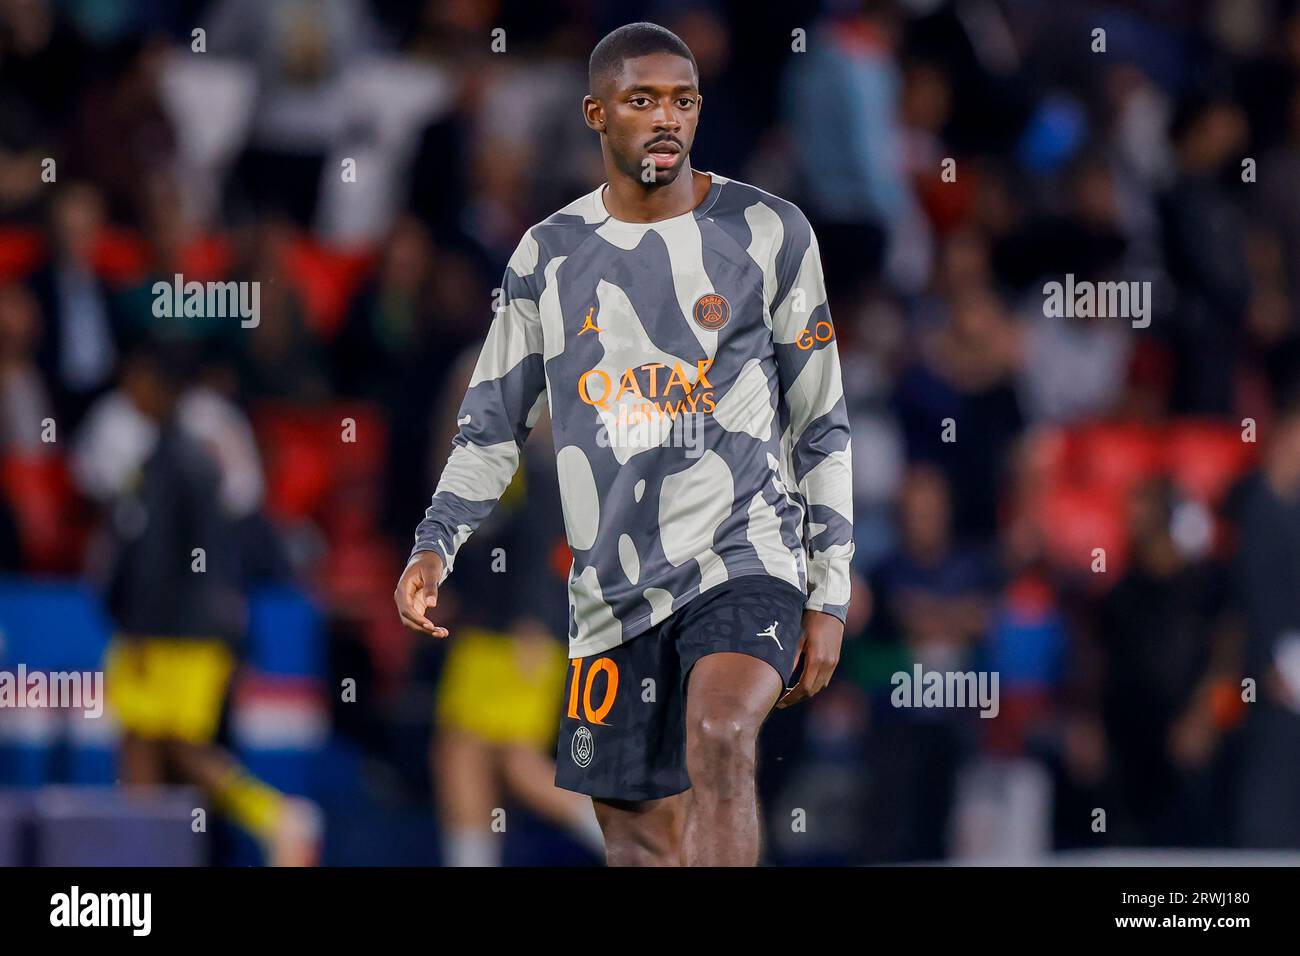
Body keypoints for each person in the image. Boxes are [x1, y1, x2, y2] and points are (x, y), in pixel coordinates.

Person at [395, 22, 854, 866]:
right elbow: (492, 422)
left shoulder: (771, 232)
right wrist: (436, 544)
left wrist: (829, 590)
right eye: (642, 101)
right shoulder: (547, 256)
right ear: (596, 114)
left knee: (718, 734)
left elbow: (820, 419)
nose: (665, 119)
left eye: (682, 101)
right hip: (611, 589)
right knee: (639, 833)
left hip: (744, 558)